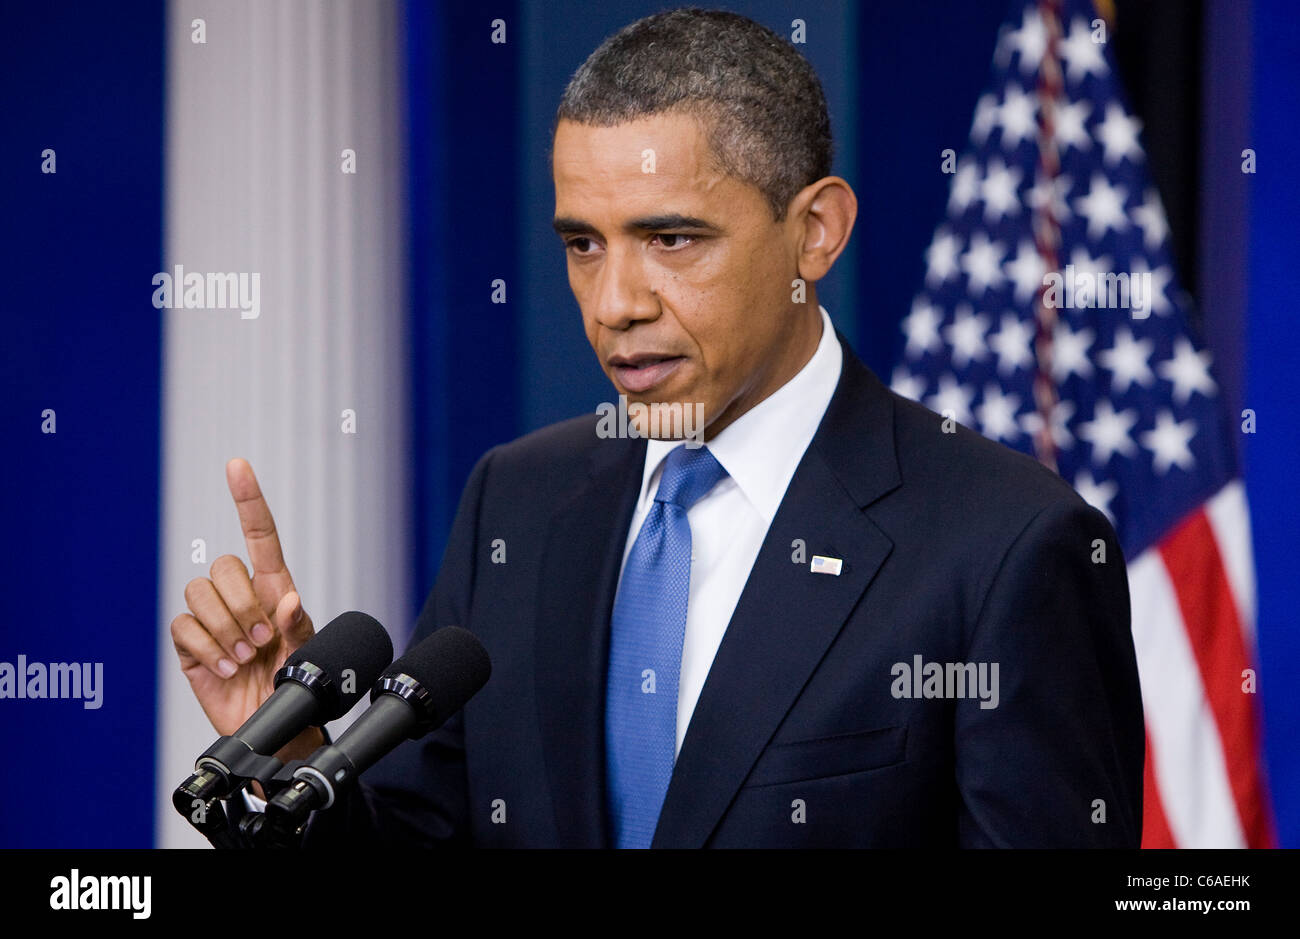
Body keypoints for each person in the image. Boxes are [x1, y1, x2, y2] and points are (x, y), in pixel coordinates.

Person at [170, 8, 1143, 848]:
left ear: (814, 234)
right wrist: (300, 755)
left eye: (670, 239)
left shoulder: (1008, 549)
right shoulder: (519, 497)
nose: (614, 302)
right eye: (583, 246)